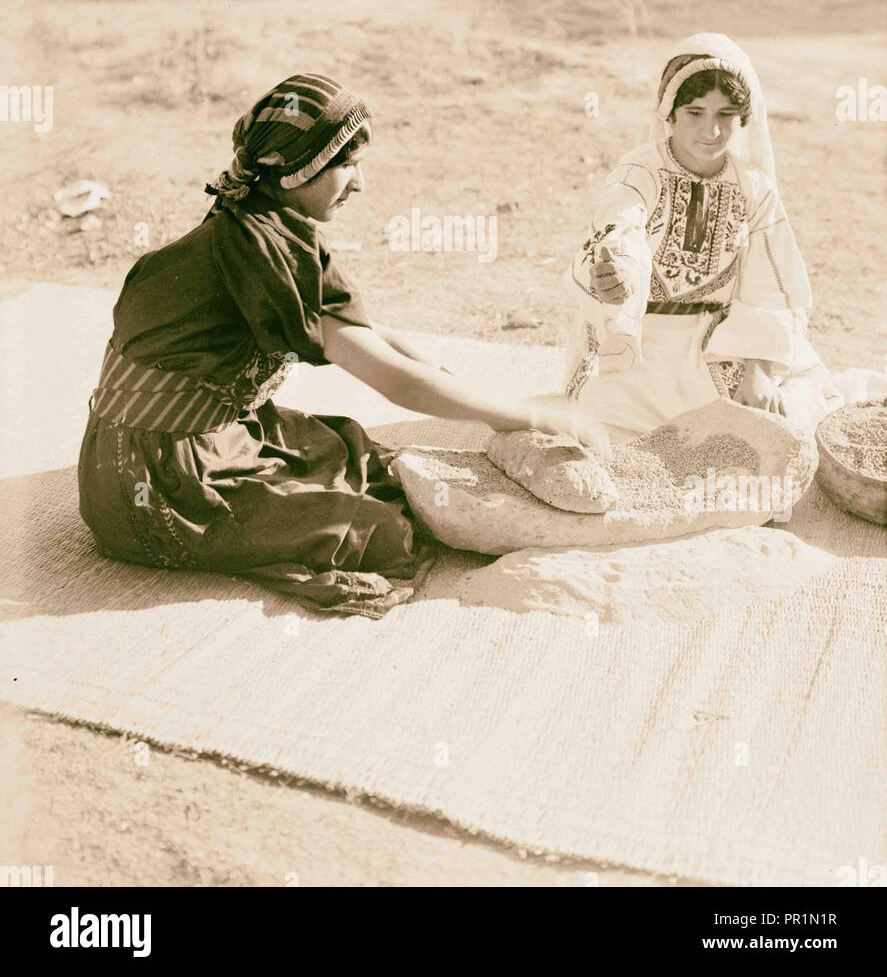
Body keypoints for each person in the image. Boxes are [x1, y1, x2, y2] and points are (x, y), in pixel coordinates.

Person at [79, 72, 606, 618]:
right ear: (298, 171)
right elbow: (389, 378)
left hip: (152, 446)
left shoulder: (248, 218)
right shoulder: (264, 252)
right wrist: (525, 415)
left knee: (351, 451)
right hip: (156, 481)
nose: (359, 183)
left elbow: (369, 334)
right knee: (379, 532)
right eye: (345, 165)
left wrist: (460, 388)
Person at [563, 34, 842, 441]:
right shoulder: (640, 172)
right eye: (695, 112)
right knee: (605, 432)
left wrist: (758, 369)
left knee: (773, 422)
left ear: (743, 119)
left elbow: (769, 285)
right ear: (669, 114)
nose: (710, 130)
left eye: (726, 114)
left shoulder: (754, 188)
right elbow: (622, 224)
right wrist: (617, 270)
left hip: (722, 341)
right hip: (643, 340)